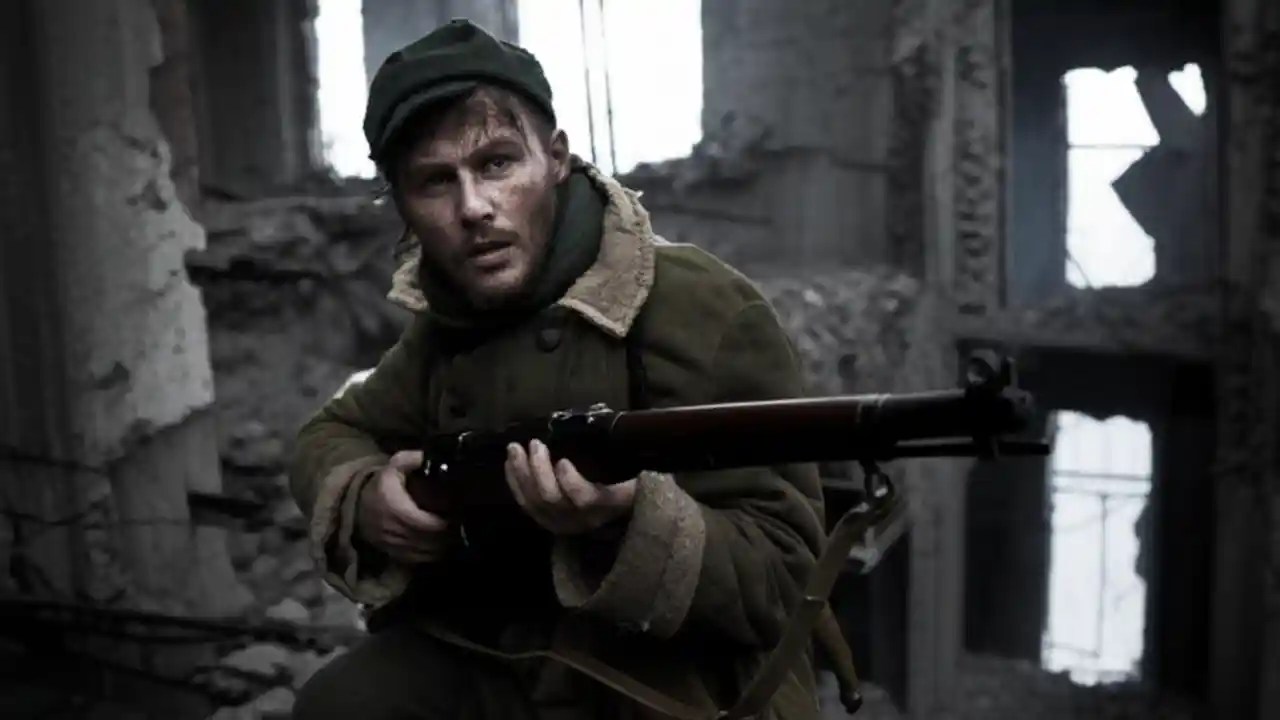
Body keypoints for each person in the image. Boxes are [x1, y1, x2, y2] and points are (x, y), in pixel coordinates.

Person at [289, 19, 827, 720]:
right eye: (434, 182)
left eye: (496, 165)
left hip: (675, 681)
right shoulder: (444, 326)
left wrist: (626, 523)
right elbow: (329, 432)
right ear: (401, 205)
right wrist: (367, 497)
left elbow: (786, 577)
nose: (473, 208)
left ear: (557, 159)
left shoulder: (701, 306)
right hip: (497, 659)